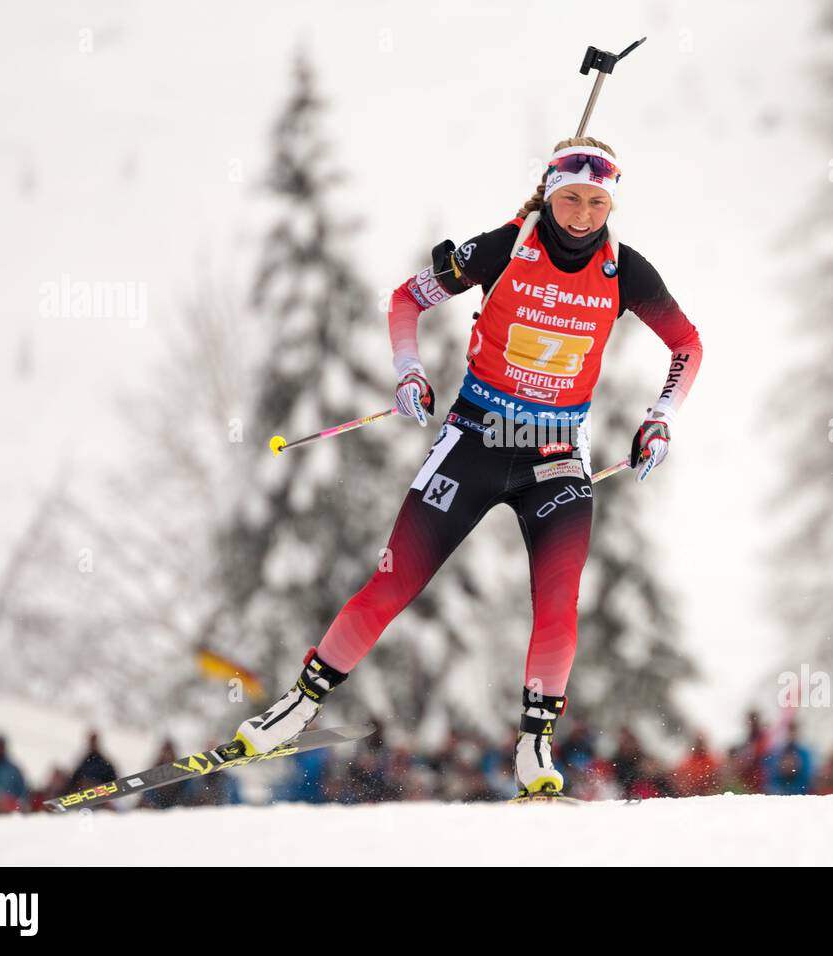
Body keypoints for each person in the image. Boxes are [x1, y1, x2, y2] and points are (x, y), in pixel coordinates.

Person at [226, 137, 703, 799]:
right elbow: (405, 300)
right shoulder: (502, 248)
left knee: (559, 604)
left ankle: (534, 746)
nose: (583, 213)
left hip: (557, 456)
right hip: (477, 439)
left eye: (598, 201)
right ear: (550, 191)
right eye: (571, 197)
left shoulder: (627, 271)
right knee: (393, 582)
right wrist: (409, 372)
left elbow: (687, 344)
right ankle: (298, 706)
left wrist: (661, 417)